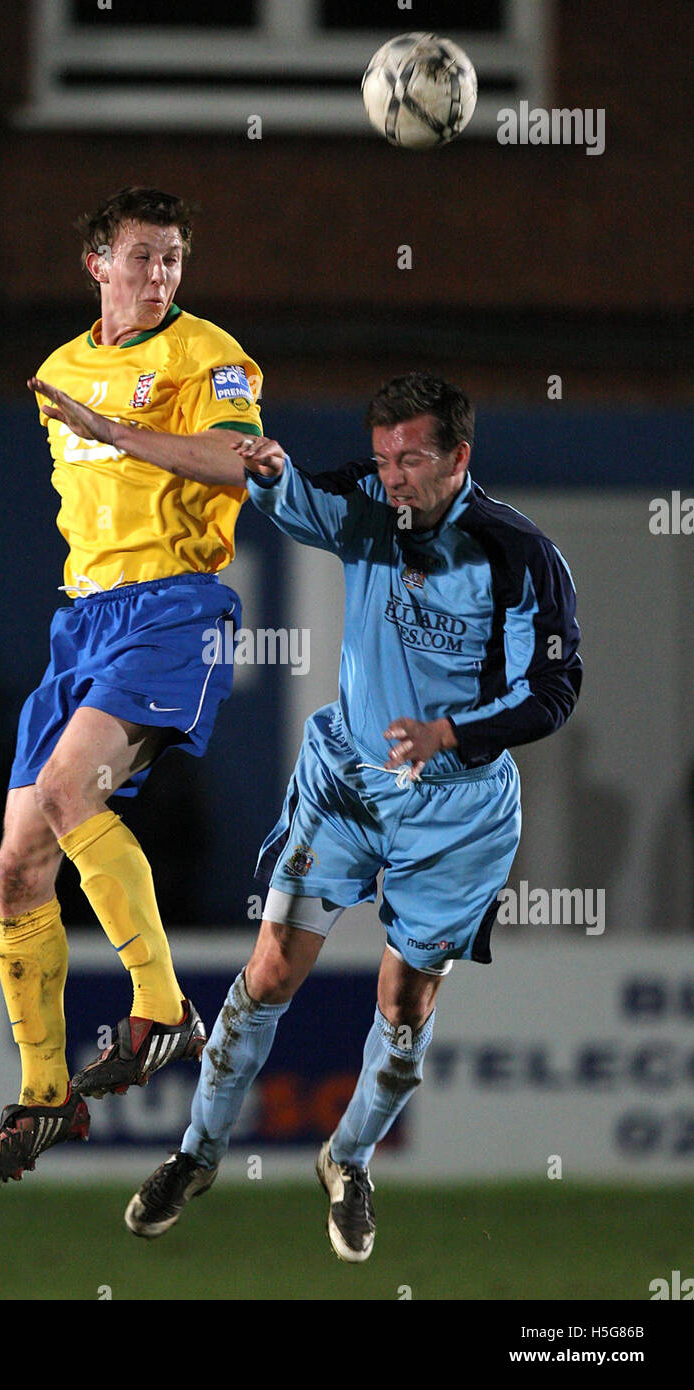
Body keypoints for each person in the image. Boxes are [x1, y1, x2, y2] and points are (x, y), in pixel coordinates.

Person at [115, 369, 581, 1261]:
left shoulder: (519, 555)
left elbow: (554, 691)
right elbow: (284, 491)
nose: (392, 477)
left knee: (402, 1006)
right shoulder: (365, 503)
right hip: (345, 779)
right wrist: (255, 463)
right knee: (269, 971)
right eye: (381, 458)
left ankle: (349, 1157)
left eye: (410, 459)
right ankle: (196, 1153)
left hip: (458, 811)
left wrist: (451, 731)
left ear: (459, 458)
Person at [0, 187, 264, 1188]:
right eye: (141, 257)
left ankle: (164, 1006)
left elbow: (236, 460)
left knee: (66, 796)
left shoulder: (209, 354)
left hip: (171, 606)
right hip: (81, 622)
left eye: (173, 258)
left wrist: (125, 432)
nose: (159, 276)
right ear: (96, 263)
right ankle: (44, 1094)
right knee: (14, 867)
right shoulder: (58, 370)